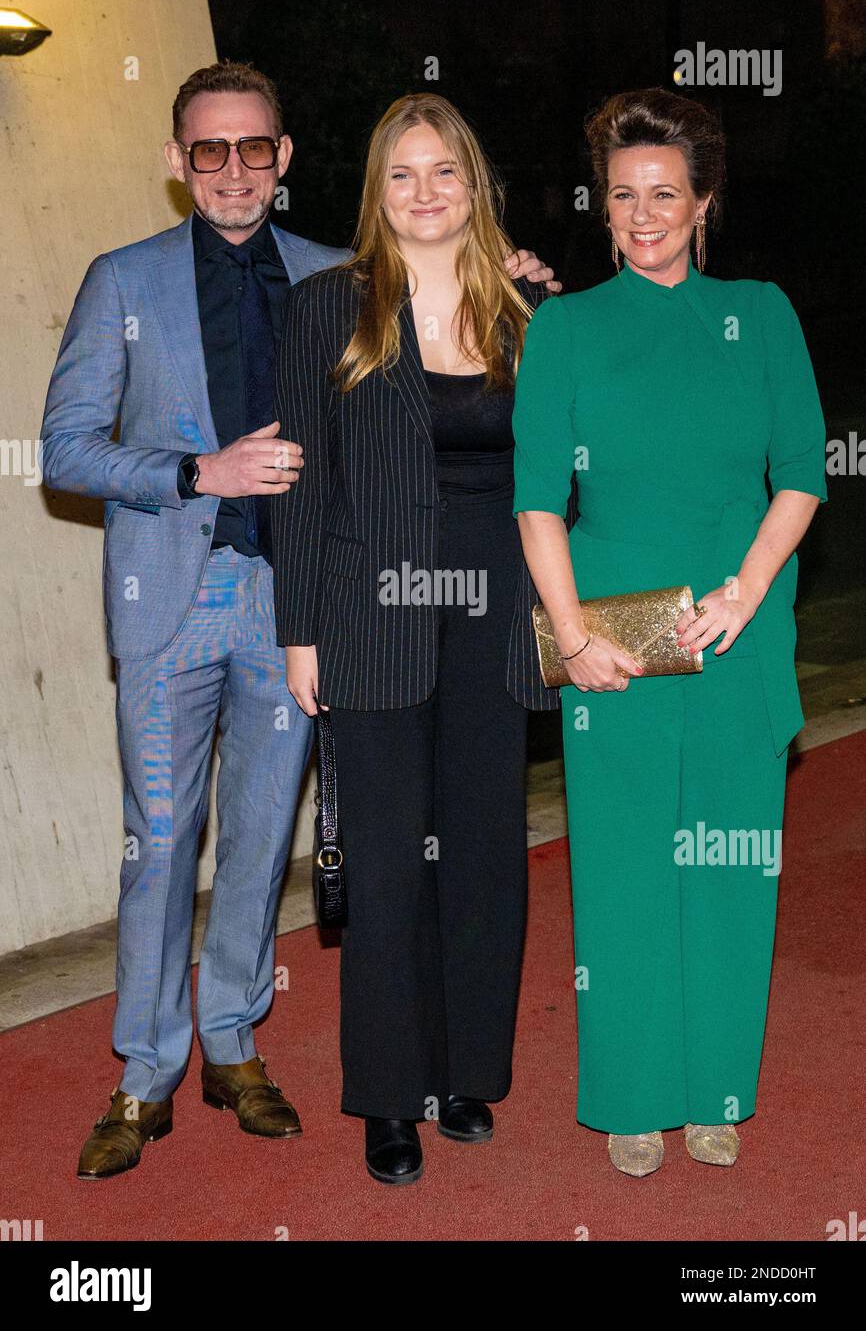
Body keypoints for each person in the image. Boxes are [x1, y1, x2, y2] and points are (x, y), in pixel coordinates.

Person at [40, 60, 555, 1180]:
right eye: (209, 150)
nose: (233, 168)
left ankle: (236, 1045)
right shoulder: (123, 280)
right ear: (179, 162)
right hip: (200, 596)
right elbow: (64, 448)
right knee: (165, 842)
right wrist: (197, 471)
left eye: (254, 148)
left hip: (329, 601)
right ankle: (144, 1072)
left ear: (284, 159)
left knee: (274, 842)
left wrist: (522, 277)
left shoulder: (341, 271)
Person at [512, 87, 826, 1177]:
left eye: (663, 195)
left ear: (701, 206)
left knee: (732, 872)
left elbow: (798, 475)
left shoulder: (761, 315)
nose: (641, 215)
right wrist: (568, 636)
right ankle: (633, 1093)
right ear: (599, 211)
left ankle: (716, 1091)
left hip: (737, 637)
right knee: (625, 873)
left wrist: (742, 592)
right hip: (614, 649)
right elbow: (538, 499)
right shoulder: (564, 328)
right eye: (620, 197)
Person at [272, 93, 563, 1185]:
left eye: (444, 171)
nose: (425, 191)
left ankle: (462, 1076)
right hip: (370, 614)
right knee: (389, 864)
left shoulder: (531, 307)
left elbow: (565, 467)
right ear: (375, 191)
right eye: (403, 173)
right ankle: (388, 1097)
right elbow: (297, 488)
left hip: (497, 614)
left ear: (473, 185)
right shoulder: (325, 309)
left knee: (483, 853)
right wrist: (298, 630)